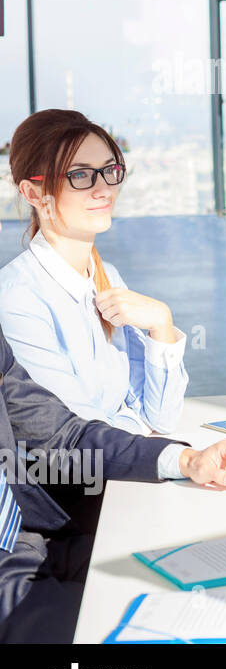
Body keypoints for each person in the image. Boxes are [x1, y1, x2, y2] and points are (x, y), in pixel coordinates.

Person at [0, 323, 226, 643]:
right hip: (13, 578)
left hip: (35, 539)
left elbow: (62, 435)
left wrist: (187, 461)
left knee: (202, 583)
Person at [0, 110, 189, 435]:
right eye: (80, 175)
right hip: (60, 483)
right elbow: (78, 434)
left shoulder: (107, 277)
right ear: (32, 193)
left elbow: (162, 418)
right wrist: (136, 424)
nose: (103, 189)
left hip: (117, 475)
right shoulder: (18, 298)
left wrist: (162, 322)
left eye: (109, 171)